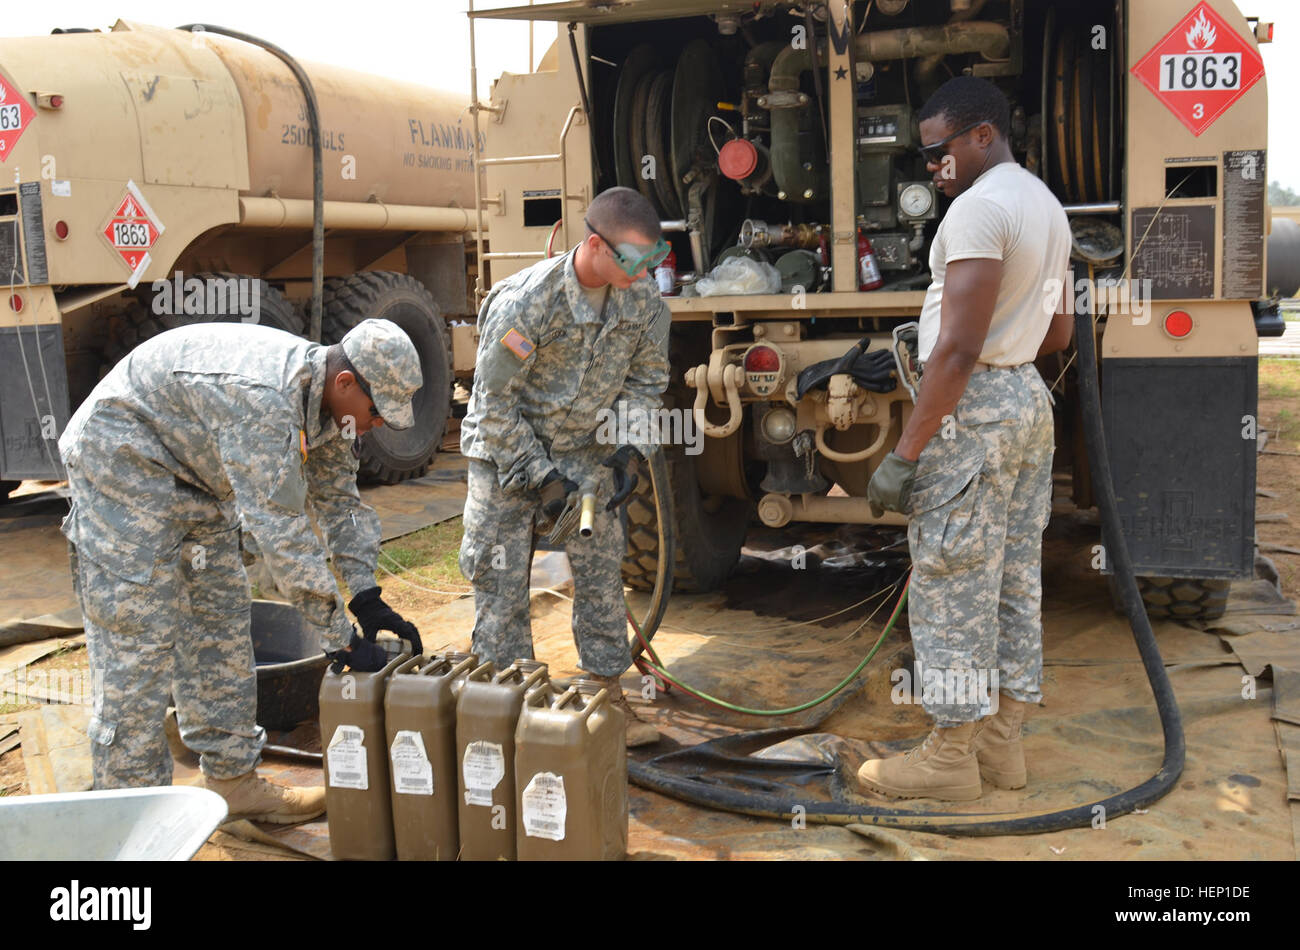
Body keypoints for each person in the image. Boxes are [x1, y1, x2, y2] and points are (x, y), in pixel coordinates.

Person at [58, 318, 424, 821]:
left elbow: (340, 503)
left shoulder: (335, 411)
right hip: (123, 462)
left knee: (219, 623)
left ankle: (232, 782)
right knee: (137, 646)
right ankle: (131, 814)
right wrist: (341, 638)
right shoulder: (264, 402)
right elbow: (283, 536)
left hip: (196, 477)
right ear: (346, 383)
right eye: (377, 411)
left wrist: (366, 595)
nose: (378, 423)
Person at [858, 76, 1075, 800]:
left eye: (938, 150)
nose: (931, 167)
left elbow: (954, 351)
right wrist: (1011, 358)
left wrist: (904, 454)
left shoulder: (980, 211)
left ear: (983, 134)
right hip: (1026, 404)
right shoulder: (1046, 206)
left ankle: (949, 758)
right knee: (1013, 578)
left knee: (953, 582)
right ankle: (1000, 750)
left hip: (973, 406)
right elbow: (1062, 330)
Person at [459, 186, 672, 747]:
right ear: (596, 245)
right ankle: (510, 713)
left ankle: (605, 700)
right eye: (634, 259)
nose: (646, 272)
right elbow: (493, 404)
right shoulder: (528, 303)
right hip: (507, 453)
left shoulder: (643, 302)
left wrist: (628, 451)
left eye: (656, 259)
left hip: (586, 452)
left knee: (603, 570)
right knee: (500, 583)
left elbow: (647, 382)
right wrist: (540, 476)